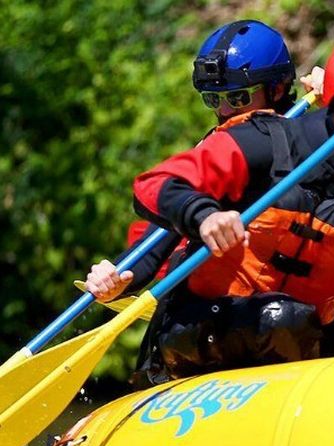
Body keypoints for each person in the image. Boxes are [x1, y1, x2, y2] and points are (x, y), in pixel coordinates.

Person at [129, 34, 334, 382]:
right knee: (281, 318)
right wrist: (203, 215)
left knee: (305, 325)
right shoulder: (265, 142)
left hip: (307, 346)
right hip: (200, 330)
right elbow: (152, 185)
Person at [86, 19, 301, 302]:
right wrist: (118, 279)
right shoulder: (219, 148)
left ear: (277, 89)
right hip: (228, 315)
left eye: (237, 97)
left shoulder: (317, 134)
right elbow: (156, 242)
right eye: (213, 99)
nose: (224, 110)